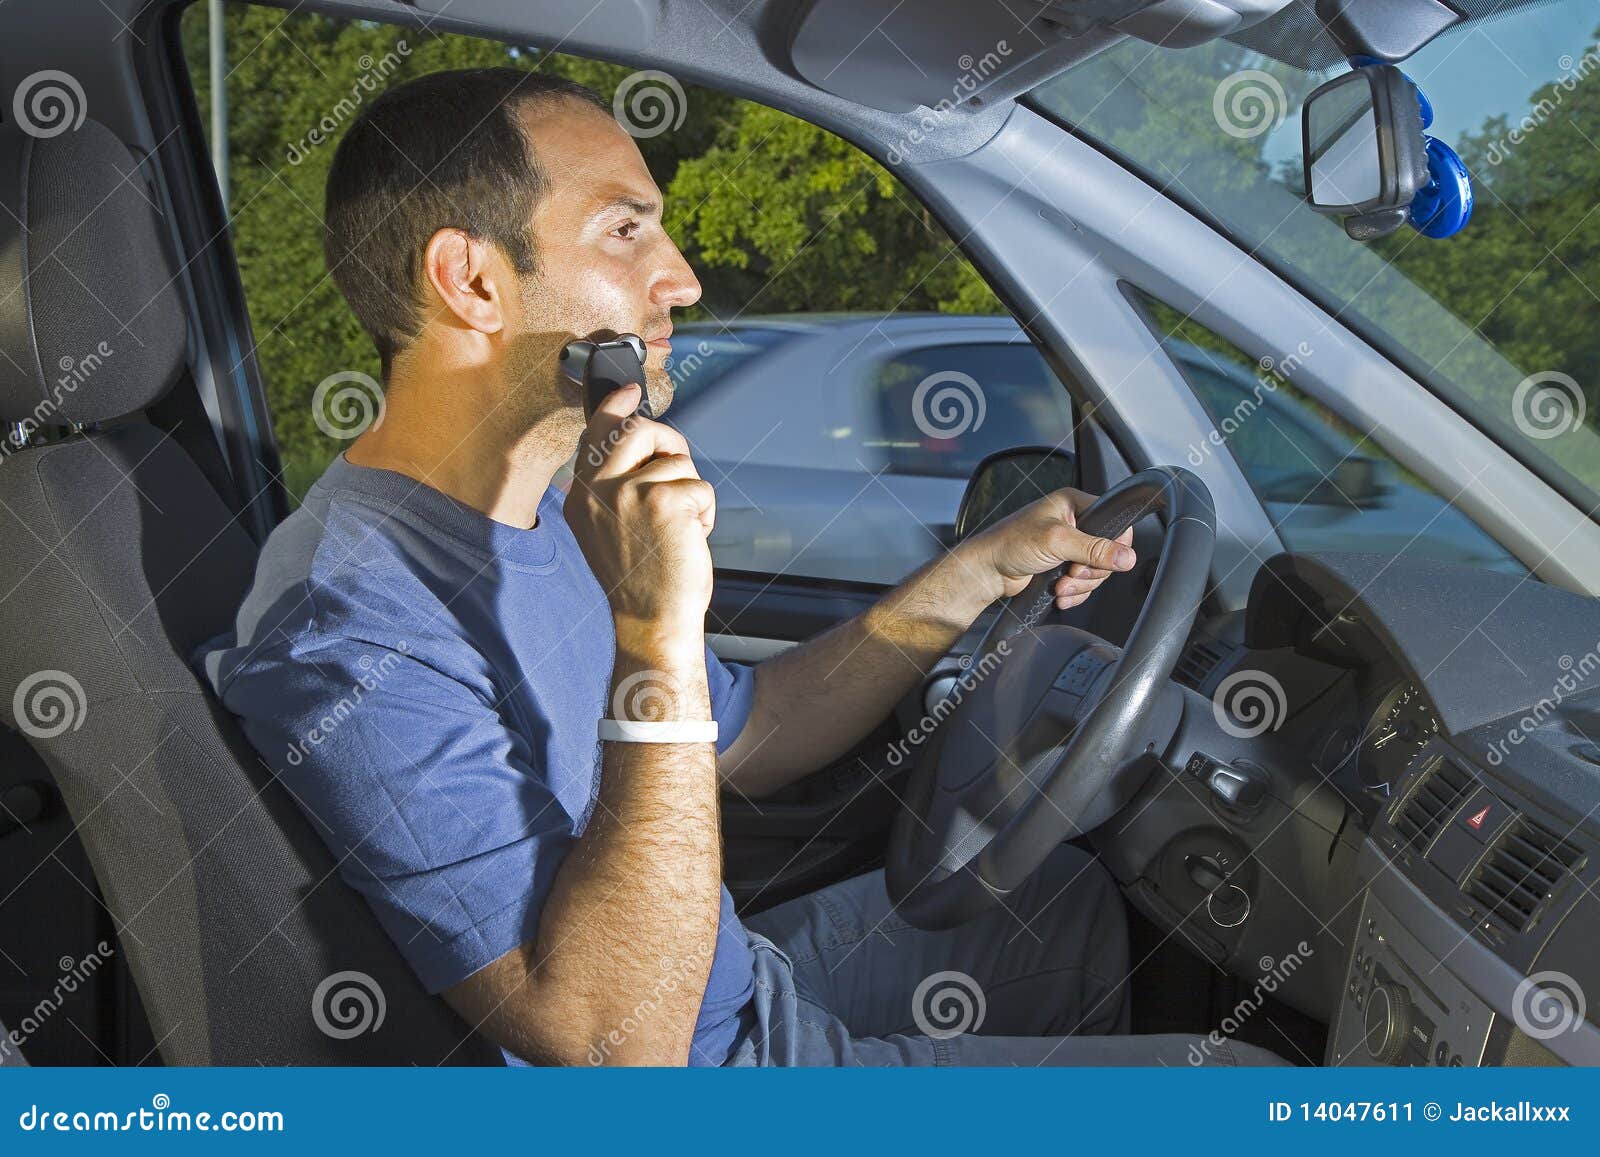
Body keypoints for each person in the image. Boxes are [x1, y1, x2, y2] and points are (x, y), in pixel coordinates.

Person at [197, 67, 1283, 1068]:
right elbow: (615, 1043)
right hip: (705, 1067)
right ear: (472, 281)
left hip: (743, 983)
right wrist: (654, 628)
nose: (682, 278)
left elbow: (746, 735)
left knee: (1061, 903)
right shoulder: (352, 628)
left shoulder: (536, 509)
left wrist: (981, 573)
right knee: (1246, 1091)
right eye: (625, 230)